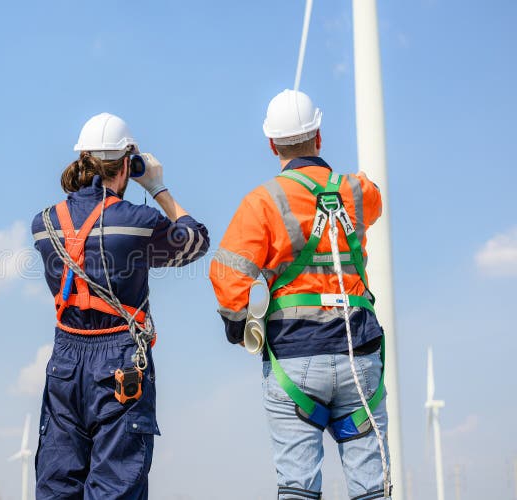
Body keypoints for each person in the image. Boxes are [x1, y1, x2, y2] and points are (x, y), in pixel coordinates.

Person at [209, 90, 390, 500]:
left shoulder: (263, 202)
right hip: (358, 352)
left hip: (295, 360)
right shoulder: (356, 192)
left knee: (298, 487)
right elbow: (374, 196)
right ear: (320, 137)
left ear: (272, 144)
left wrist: (240, 328)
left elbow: (226, 273)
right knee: (372, 488)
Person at [32, 112, 209, 499]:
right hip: (120, 362)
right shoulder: (137, 221)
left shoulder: (43, 224)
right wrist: (158, 186)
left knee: (57, 484)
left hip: (64, 360)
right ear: (127, 163)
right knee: (116, 487)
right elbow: (195, 240)